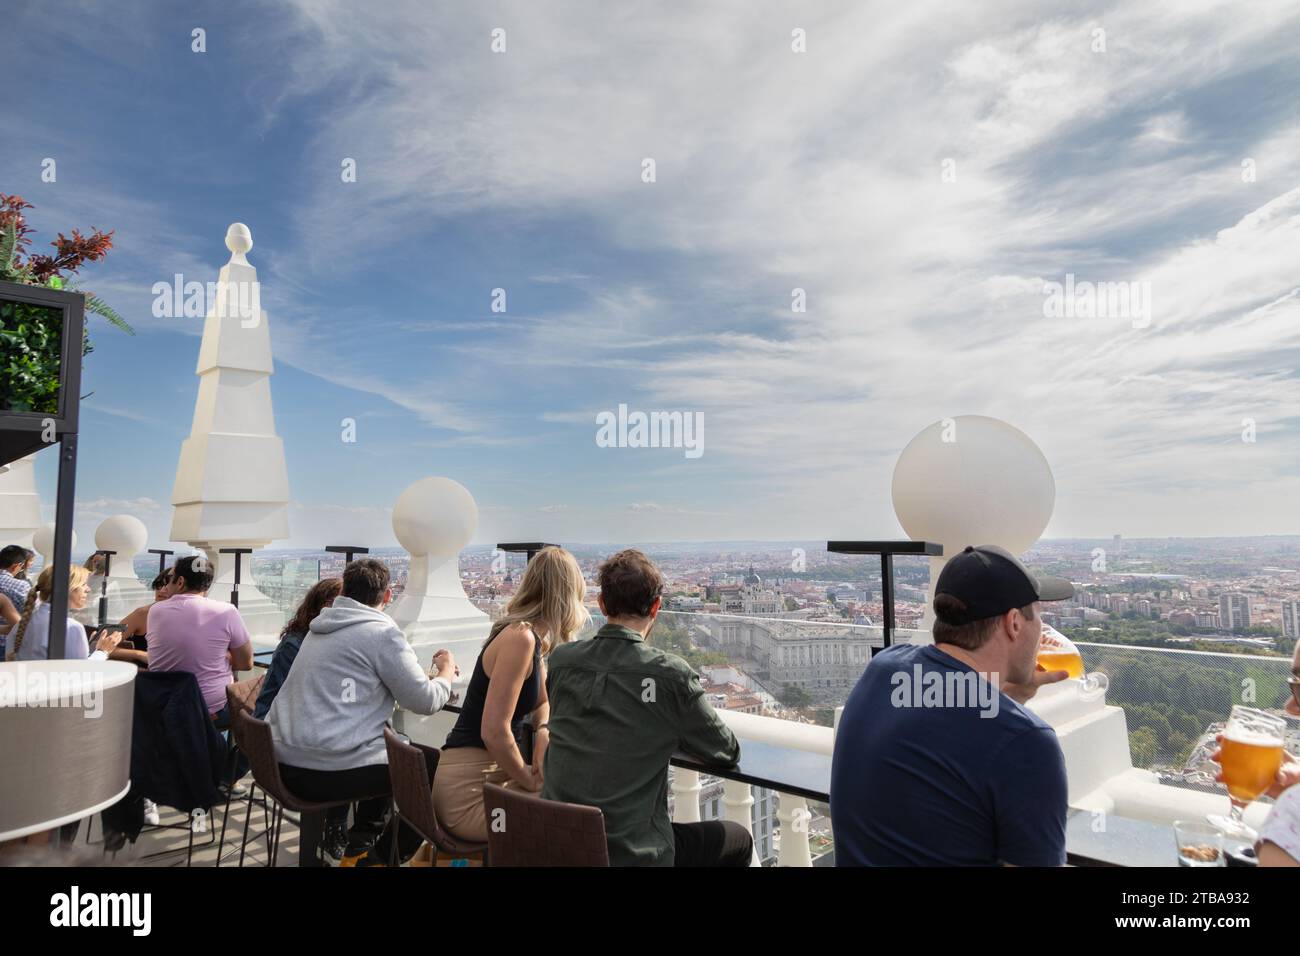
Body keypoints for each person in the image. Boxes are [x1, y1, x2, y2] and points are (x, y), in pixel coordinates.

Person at [831, 544, 1075, 866]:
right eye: (1039, 614)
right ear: (1014, 623)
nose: (1042, 628)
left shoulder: (886, 668)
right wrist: (1011, 713)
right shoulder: (1027, 743)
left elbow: (945, 727)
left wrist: (1009, 698)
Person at [541, 548, 752, 866]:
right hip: (631, 853)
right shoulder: (669, 674)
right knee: (737, 839)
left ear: (602, 605)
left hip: (560, 845)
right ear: (656, 606)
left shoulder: (561, 660)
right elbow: (726, 750)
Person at [267, 558, 457, 865]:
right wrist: (446, 671)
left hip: (282, 763)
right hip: (319, 774)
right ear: (387, 596)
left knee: (397, 748)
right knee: (431, 768)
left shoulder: (320, 627)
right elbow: (425, 701)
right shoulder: (382, 634)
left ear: (344, 590)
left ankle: (359, 845)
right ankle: (378, 858)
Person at [433, 547, 588, 844]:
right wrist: (526, 776)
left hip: (485, 779)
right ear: (569, 597)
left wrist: (542, 731)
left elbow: (542, 702)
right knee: (578, 810)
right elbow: (493, 731)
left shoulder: (529, 637)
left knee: (573, 801)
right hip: (469, 795)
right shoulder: (521, 639)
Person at [145, 555, 254, 722]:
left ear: (180, 582)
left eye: (169, 579)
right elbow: (246, 664)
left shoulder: (156, 611)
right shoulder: (227, 611)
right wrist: (226, 656)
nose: (166, 584)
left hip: (162, 705)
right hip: (209, 710)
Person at [6, 564, 122, 661]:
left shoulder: (21, 625)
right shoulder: (71, 627)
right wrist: (103, 651)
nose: (88, 589)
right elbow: (80, 673)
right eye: (83, 584)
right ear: (68, 589)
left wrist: (92, 648)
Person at [110, 567, 176, 667]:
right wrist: (139, 654)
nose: (162, 591)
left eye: (167, 587)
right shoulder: (143, 613)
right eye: (159, 585)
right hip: (146, 677)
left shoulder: (191, 616)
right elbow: (101, 644)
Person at [0, 545, 32, 658]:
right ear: (16, 566)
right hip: (9, 643)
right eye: (21, 567)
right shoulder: (21, 586)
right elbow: (31, 615)